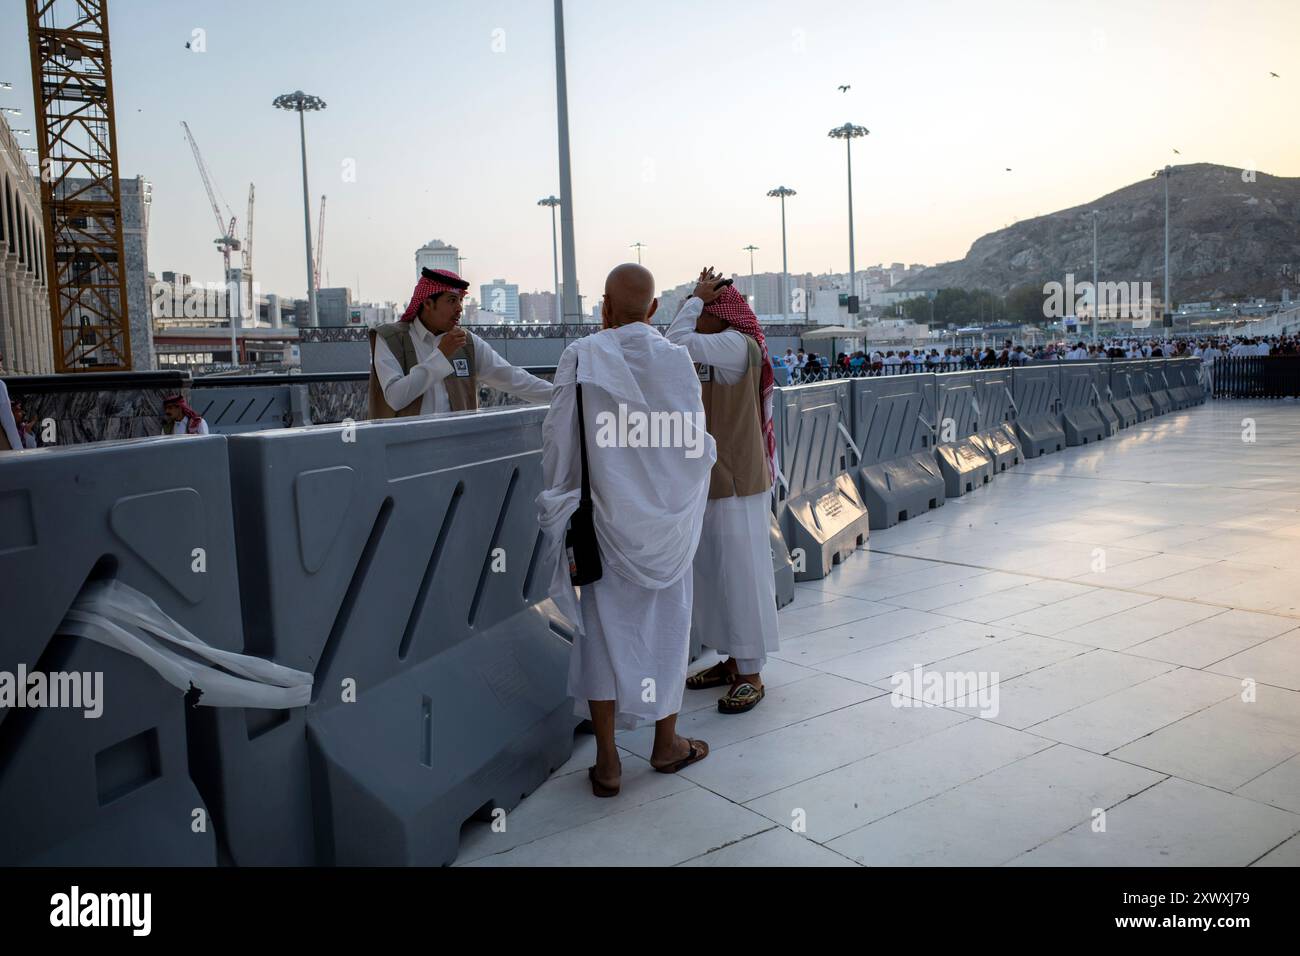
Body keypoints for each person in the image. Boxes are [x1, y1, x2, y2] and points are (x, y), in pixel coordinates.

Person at [536, 263, 717, 797]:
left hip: (604, 527)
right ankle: (667, 743)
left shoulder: (583, 357)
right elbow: (694, 446)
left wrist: (563, 501)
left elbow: (560, 442)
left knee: (600, 638)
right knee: (668, 627)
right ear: (655, 310)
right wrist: (673, 504)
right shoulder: (676, 359)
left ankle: (609, 762)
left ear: (605, 308)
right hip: (668, 527)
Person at [667, 268, 780, 714]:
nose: (695, 320)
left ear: (718, 315)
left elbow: (673, 340)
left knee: (742, 576)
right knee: (716, 575)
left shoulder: (736, 346)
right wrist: (694, 300)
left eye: (701, 313)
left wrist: (692, 300)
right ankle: (731, 661)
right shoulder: (715, 347)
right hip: (712, 480)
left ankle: (751, 672)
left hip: (737, 481)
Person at [369, 267, 551, 417]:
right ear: (427, 303)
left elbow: (512, 378)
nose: (459, 309)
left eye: (461, 300)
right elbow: (395, 397)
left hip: (457, 450)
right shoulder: (390, 339)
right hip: (406, 452)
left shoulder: (467, 342)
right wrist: (441, 356)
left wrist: (566, 395)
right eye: (451, 300)